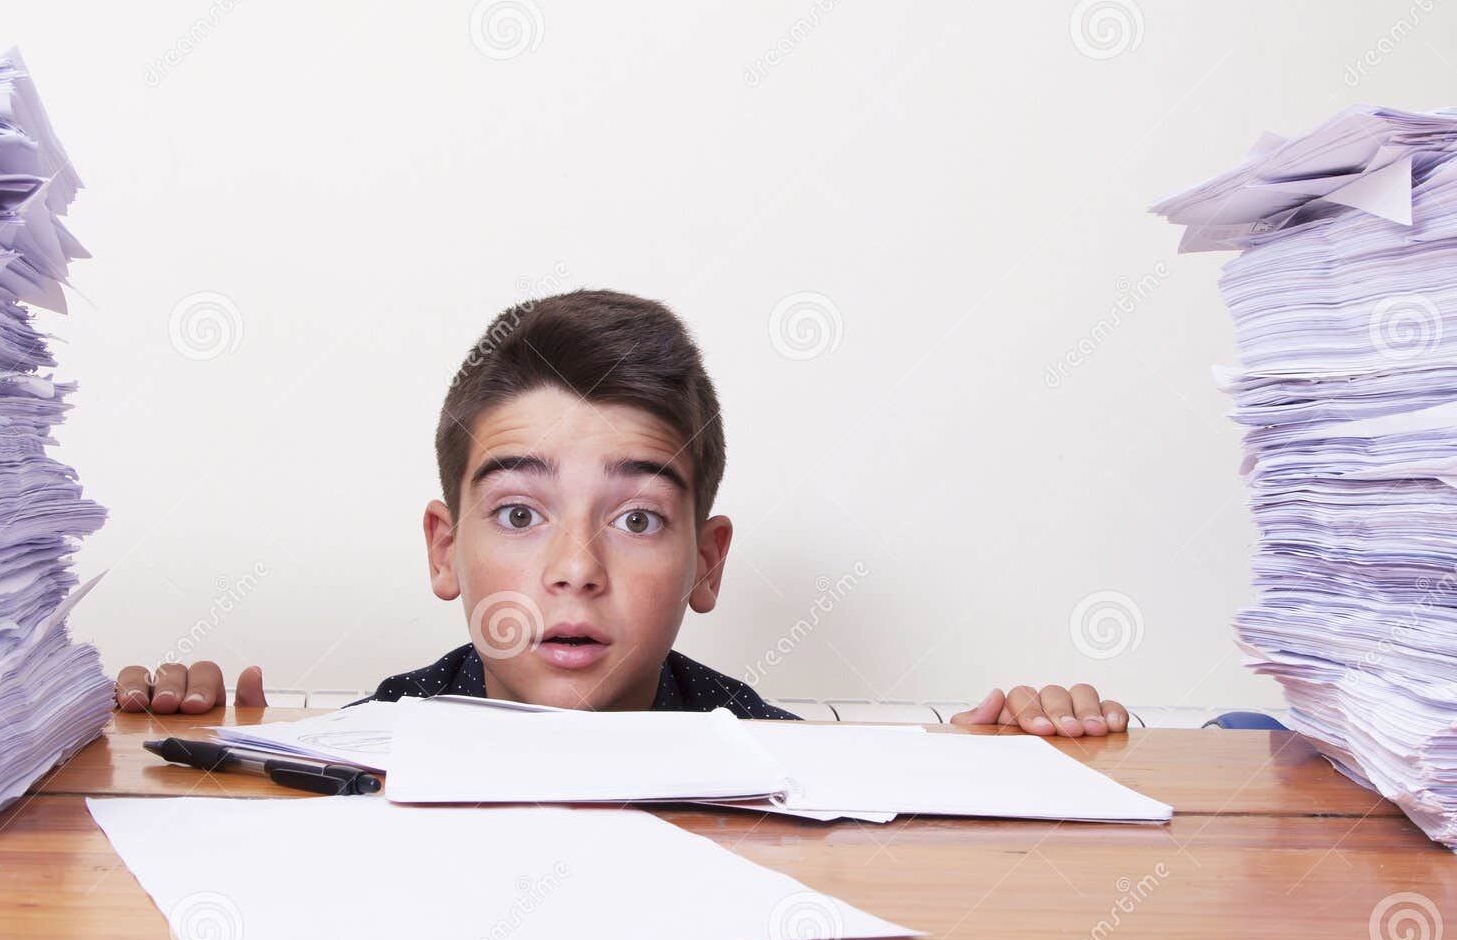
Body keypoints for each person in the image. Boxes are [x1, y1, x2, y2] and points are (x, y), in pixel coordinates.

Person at [114, 289, 1128, 737]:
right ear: (444, 546)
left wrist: (1019, 753)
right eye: (518, 512)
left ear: (705, 560)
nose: (574, 566)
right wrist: (195, 740)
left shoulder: (779, 761)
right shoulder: (371, 743)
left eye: (637, 519)